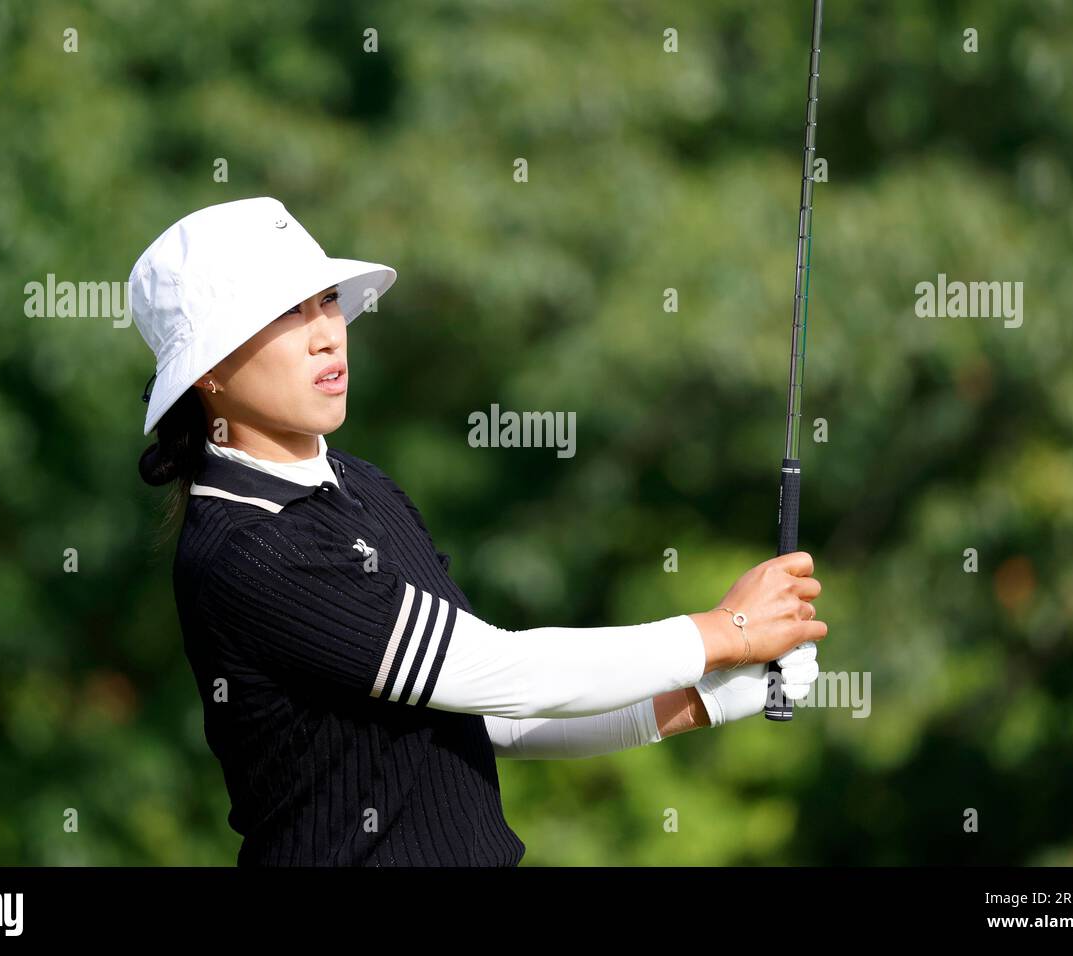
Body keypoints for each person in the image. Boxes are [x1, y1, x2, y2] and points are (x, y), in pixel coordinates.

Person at [127, 196, 827, 866]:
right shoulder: (251, 546)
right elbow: (504, 672)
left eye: (327, 301)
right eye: (287, 312)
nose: (326, 334)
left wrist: (706, 695)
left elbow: (495, 715)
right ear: (210, 370)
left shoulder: (363, 486)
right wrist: (725, 630)